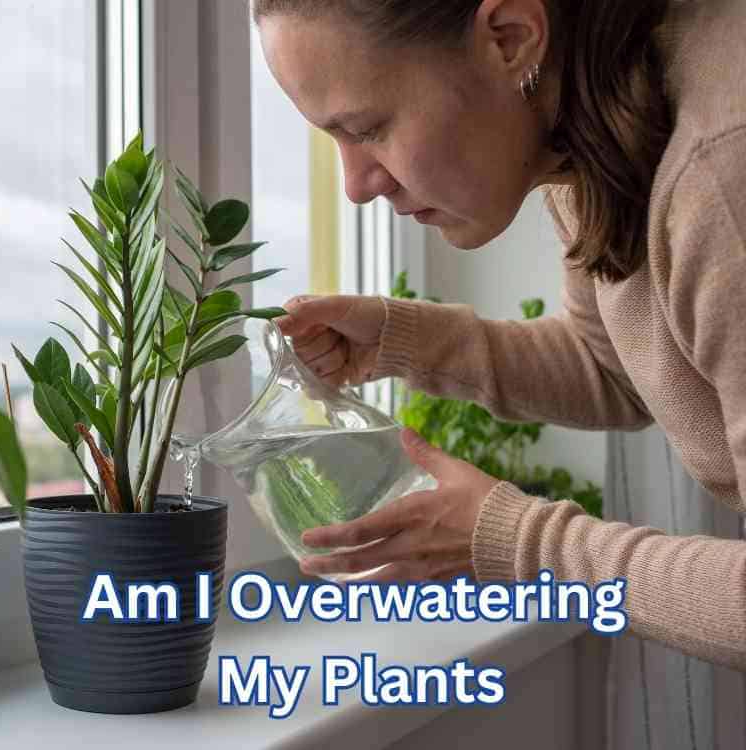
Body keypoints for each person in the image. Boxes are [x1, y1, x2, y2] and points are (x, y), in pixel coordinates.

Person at [258, 0, 746, 671]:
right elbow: (626, 370)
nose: (356, 186)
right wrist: (402, 341)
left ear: (510, 38)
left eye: (369, 128)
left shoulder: (721, 173)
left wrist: (521, 542)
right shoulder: (592, 118)